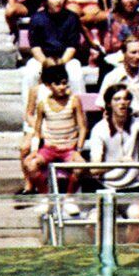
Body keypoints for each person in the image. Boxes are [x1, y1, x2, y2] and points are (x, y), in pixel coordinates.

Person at [87, 82, 139, 243]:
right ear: (109, 104)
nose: (122, 102)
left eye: (126, 99)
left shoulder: (134, 124)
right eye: (117, 99)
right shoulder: (99, 129)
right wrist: (118, 162)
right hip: (107, 189)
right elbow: (93, 169)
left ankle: (128, 252)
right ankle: (108, 252)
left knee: (136, 217)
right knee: (91, 224)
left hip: (132, 188)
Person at [23, 63, 87, 203]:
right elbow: (37, 131)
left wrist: (79, 149)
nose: (62, 87)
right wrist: (34, 151)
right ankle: (46, 197)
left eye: (64, 83)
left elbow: (82, 127)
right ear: (48, 86)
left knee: (81, 167)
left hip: (68, 149)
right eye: (57, 84)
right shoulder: (43, 104)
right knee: (30, 165)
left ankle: (69, 199)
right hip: (49, 149)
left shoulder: (74, 101)